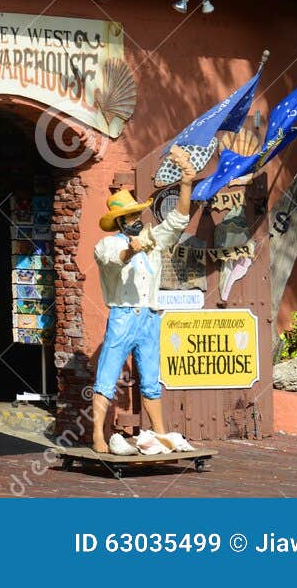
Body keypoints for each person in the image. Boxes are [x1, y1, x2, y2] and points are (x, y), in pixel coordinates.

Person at [90, 145, 206, 454]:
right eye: (130, 216)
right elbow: (115, 259)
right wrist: (131, 250)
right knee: (107, 375)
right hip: (124, 315)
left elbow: (178, 220)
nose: (136, 219)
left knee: (151, 379)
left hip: (150, 316)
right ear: (120, 221)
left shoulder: (151, 240)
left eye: (136, 214)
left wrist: (186, 184)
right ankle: (98, 434)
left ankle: (160, 433)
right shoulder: (106, 245)